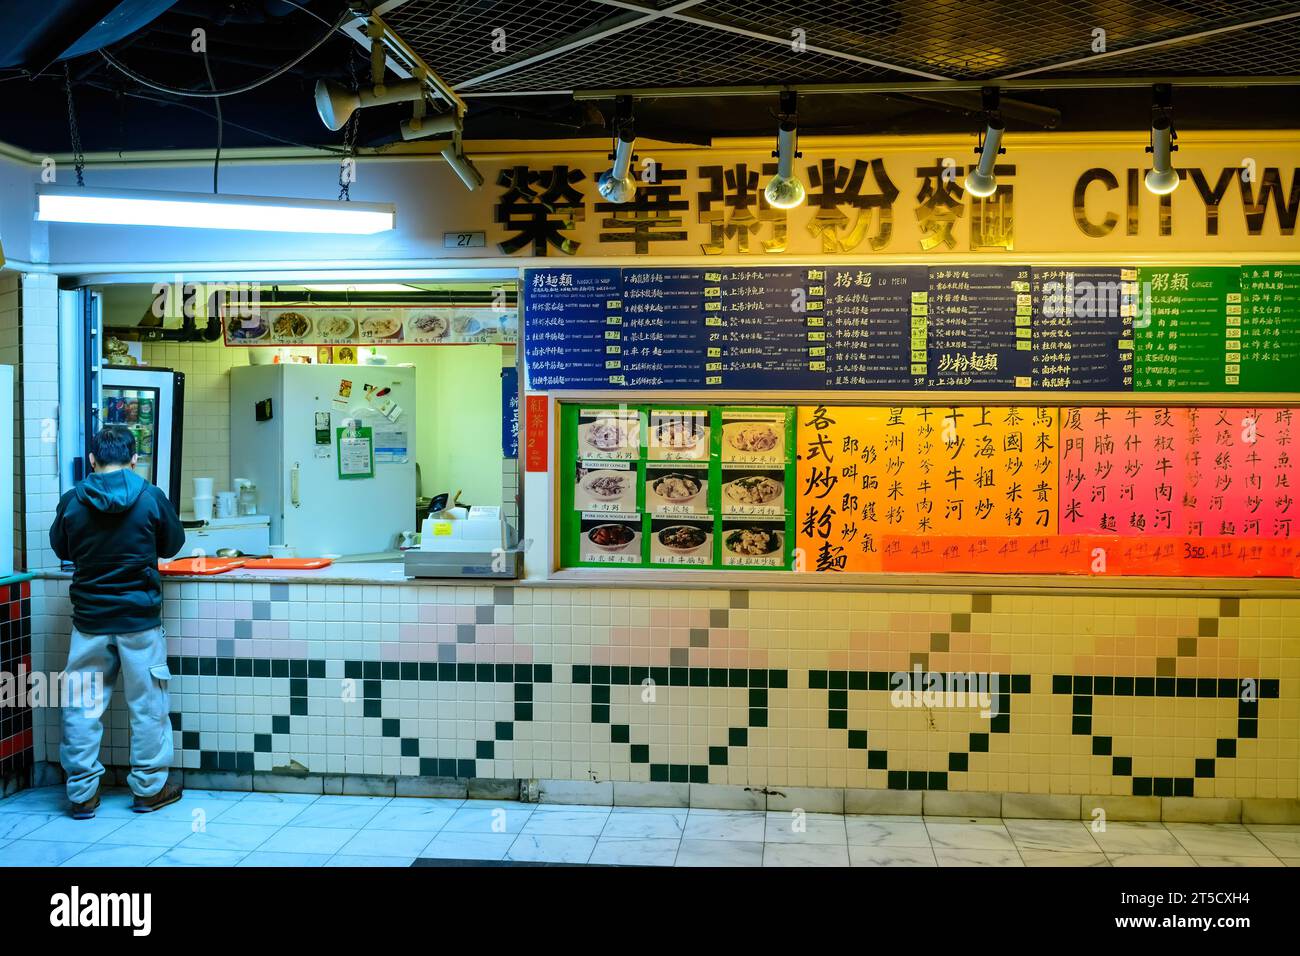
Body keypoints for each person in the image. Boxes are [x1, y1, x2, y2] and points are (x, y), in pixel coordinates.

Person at [49, 424, 187, 819]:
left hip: (89, 621)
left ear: (92, 460)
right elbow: (173, 545)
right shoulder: (149, 497)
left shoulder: (73, 501)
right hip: (139, 620)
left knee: (81, 706)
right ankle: (148, 789)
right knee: (148, 706)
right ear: (134, 459)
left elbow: (61, 547)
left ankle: (82, 796)